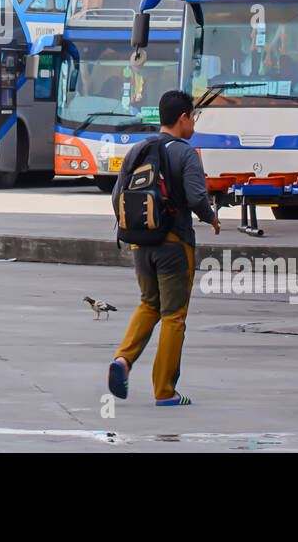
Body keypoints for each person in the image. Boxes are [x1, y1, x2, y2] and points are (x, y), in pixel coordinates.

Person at [106, 90, 219, 407]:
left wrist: (133, 230)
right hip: (174, 242)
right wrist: (212, 218)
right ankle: (165, 390)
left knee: (148, 304)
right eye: (193, 117)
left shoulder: (138, 150)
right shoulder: (187, 154)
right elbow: (197, 198)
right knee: (174, 316)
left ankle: (123, 361)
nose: (193, 124)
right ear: (183, 118)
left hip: (140, 244)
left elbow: (117, 197)